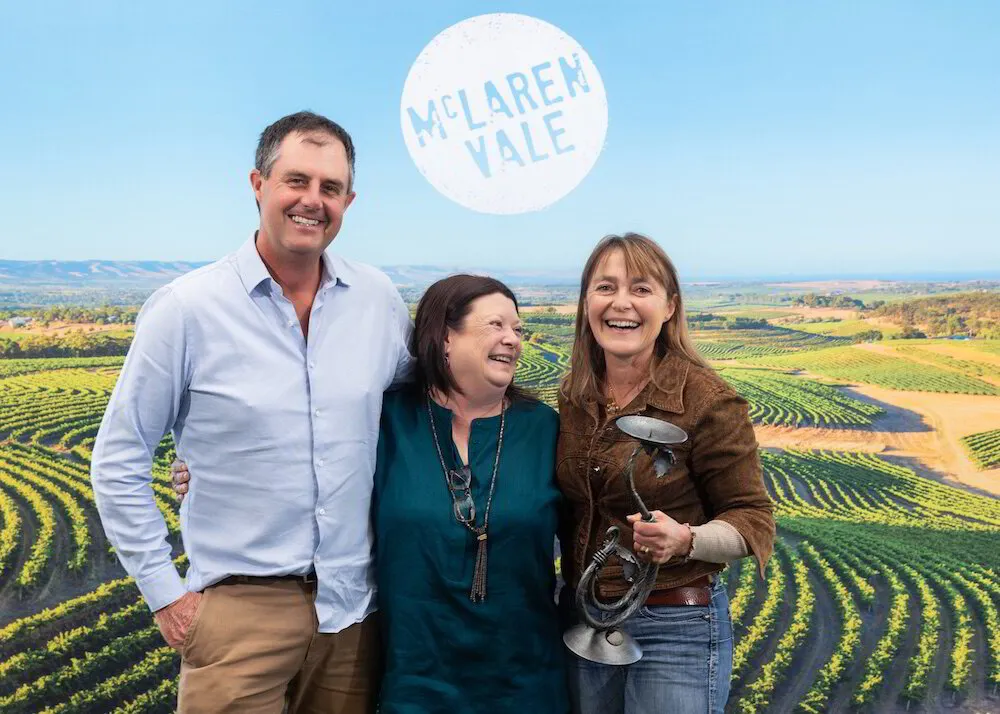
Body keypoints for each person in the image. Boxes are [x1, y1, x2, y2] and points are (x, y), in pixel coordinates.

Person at [91, 111, 412, 713]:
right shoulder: (186, 309)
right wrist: (167, 597)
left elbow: (415, 417)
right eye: (296, 180)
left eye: (331, 187)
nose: (312, 200)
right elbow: (119, 457)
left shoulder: (379, 301)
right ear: (258, 184)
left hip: (354, 615)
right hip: (237, 616)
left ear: (349, 199)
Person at [175, 274, 570, 713]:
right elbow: (306, 465)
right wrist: (211, 471)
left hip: (526, 675)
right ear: (443, 338)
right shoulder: (385, 420)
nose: (512, 339)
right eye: (495, 325)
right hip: (416, 676)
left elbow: (590, 512)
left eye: (517, 328)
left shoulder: (545, 428)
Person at [557, 233, 775, 714]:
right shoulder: (574, 397)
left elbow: (753, 517)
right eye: (605, 287)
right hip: (583, 620)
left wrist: (686, 540)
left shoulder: (707, 400)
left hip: (674, 625)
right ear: (586, 302)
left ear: (669, 306)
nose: (621, 303)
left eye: (641, 289)